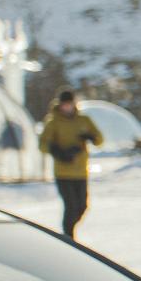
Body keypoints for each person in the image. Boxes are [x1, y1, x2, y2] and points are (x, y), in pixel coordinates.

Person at [37, 88, 103, 240]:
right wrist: (56, 151)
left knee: (82, 206)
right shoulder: (53, 122)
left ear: (74, 104)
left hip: (80, 171)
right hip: (63, 173)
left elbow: (100, 139)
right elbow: (42, 145)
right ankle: (68, 237)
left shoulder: (83, 120)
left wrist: (90, 137)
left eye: (69, 104)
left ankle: (68, 234)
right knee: (71, 206)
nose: (66, 107)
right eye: (64, 105)